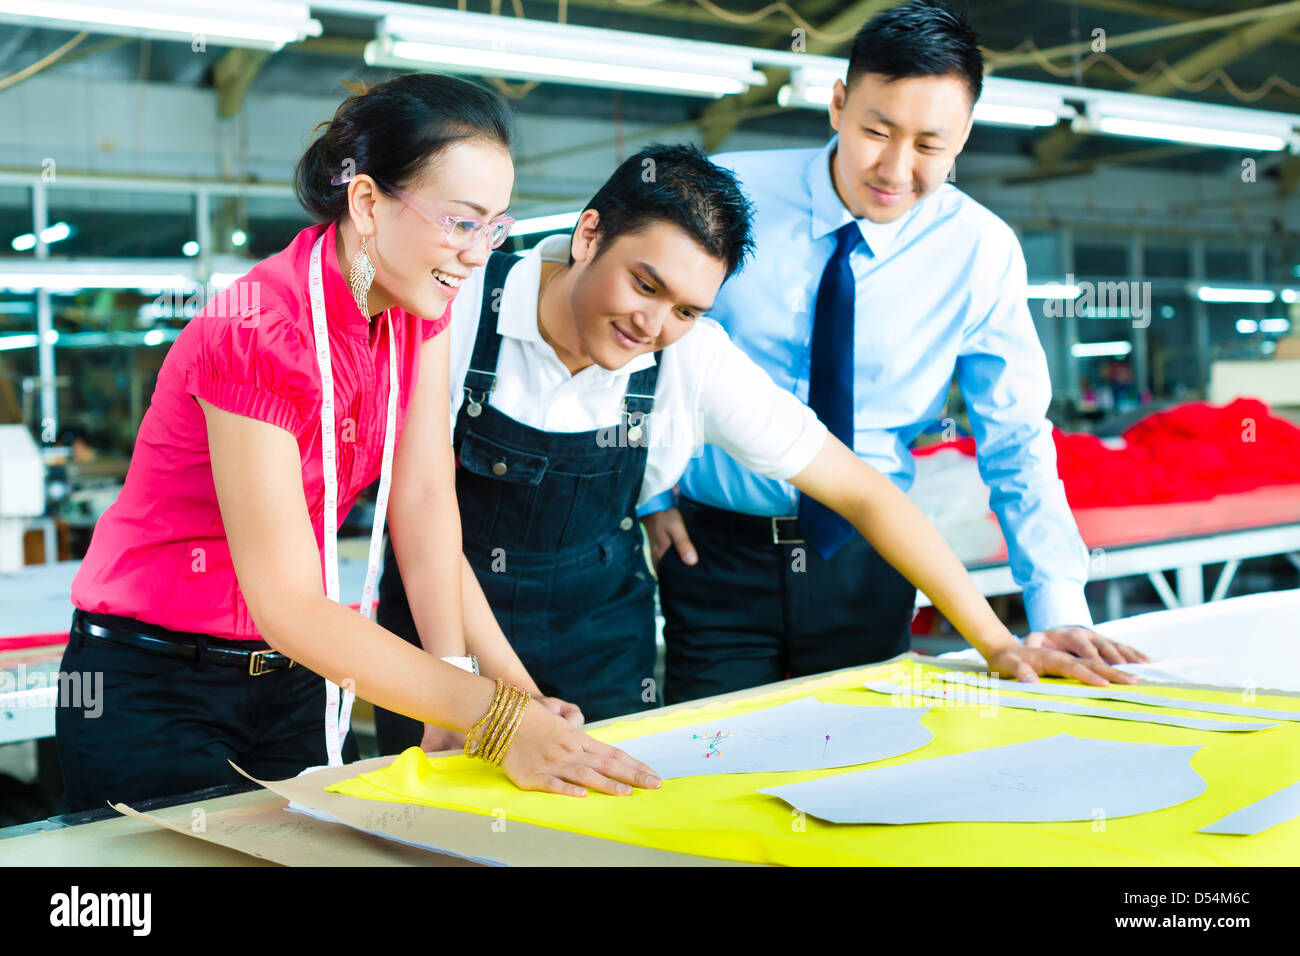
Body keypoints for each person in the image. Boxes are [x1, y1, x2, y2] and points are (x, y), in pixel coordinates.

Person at [374, 142, 1140, 750]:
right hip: (440, 622)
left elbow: (863, 492)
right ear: (587, 235)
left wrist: (999, 641)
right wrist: (499, 691)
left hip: (599, 635)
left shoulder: (692, 357)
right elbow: (426, 517)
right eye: (644, 285)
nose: (652, 326)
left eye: (685, 308)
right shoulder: (460, 306)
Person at [57, 73, 660, 813]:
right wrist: (491, 713)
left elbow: (424, 500)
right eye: (460, 222)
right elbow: (285, 602)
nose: (477, 254)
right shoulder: (257, 328)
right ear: (368, 202)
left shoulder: (417, 310)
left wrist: (494, 689)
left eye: (495, 226)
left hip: (298, 676)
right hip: (157, 681)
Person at [642, 0, 1148, 705]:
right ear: (839, 103)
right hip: (712, 547)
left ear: (964, 135)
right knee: (707, 756)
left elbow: (1017, 438)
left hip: (870, 551)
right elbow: (642, 339)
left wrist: (1058, 606)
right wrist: (650, 491)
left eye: (929, 145)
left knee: (861, 765)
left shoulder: (979, 252)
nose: (895, 168)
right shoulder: (725, 196)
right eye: (876, 130)